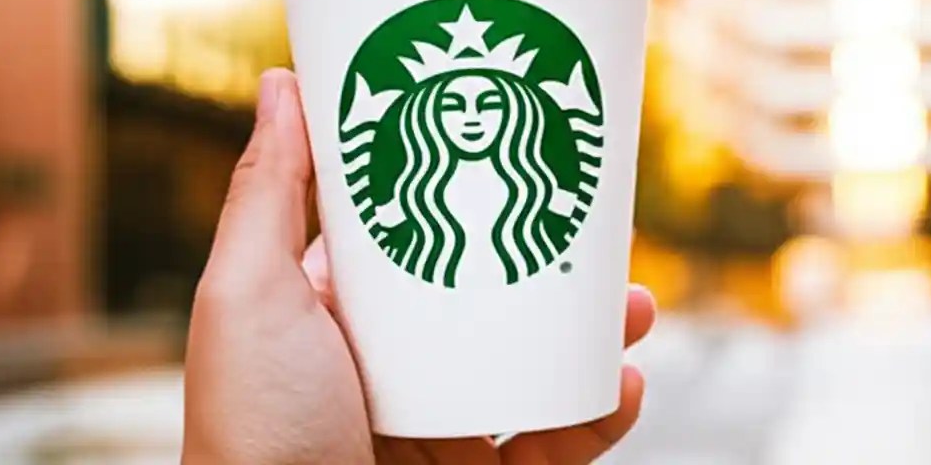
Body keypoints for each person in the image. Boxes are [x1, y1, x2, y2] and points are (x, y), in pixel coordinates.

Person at [183, 68, 656, 464]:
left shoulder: (535, 199)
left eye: (488, 105)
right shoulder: (414, 202)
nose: (471, 119)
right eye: (453, 106)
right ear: (428, 115)